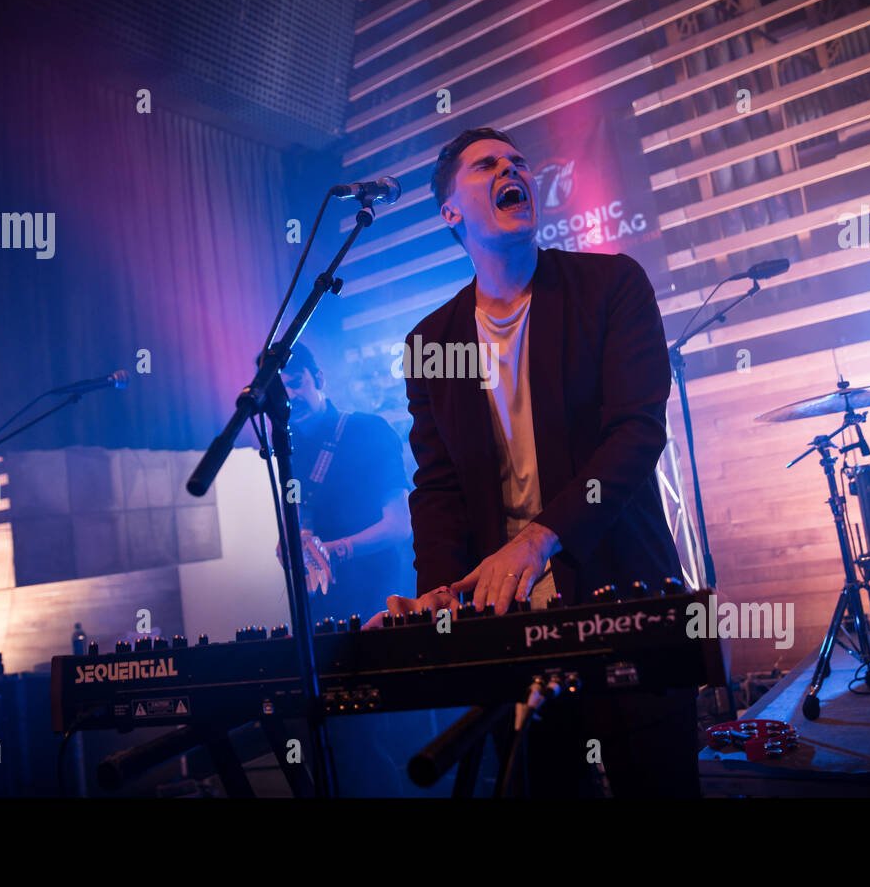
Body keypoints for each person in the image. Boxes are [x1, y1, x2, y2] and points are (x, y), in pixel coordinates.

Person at [371, 127, 696, 797]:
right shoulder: (431, 342)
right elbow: (437, 487)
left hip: (622, 590)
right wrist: (439, 590)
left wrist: (538, 542)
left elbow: (636, 432)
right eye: (486, 164)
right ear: (451, 212)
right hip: (510, 621)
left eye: (516, 162)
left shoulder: (608, 285)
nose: (510, 168)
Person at [280, 342, 413, 624]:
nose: (290, 397)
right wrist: (291, 540)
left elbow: (400, 526)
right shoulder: (287, 450)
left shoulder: (369, 430)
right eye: (280, 391)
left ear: (318, 378)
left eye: (296, 383)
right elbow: (296, 510)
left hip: (377, 600)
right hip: (318, 607)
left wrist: (336, 550)